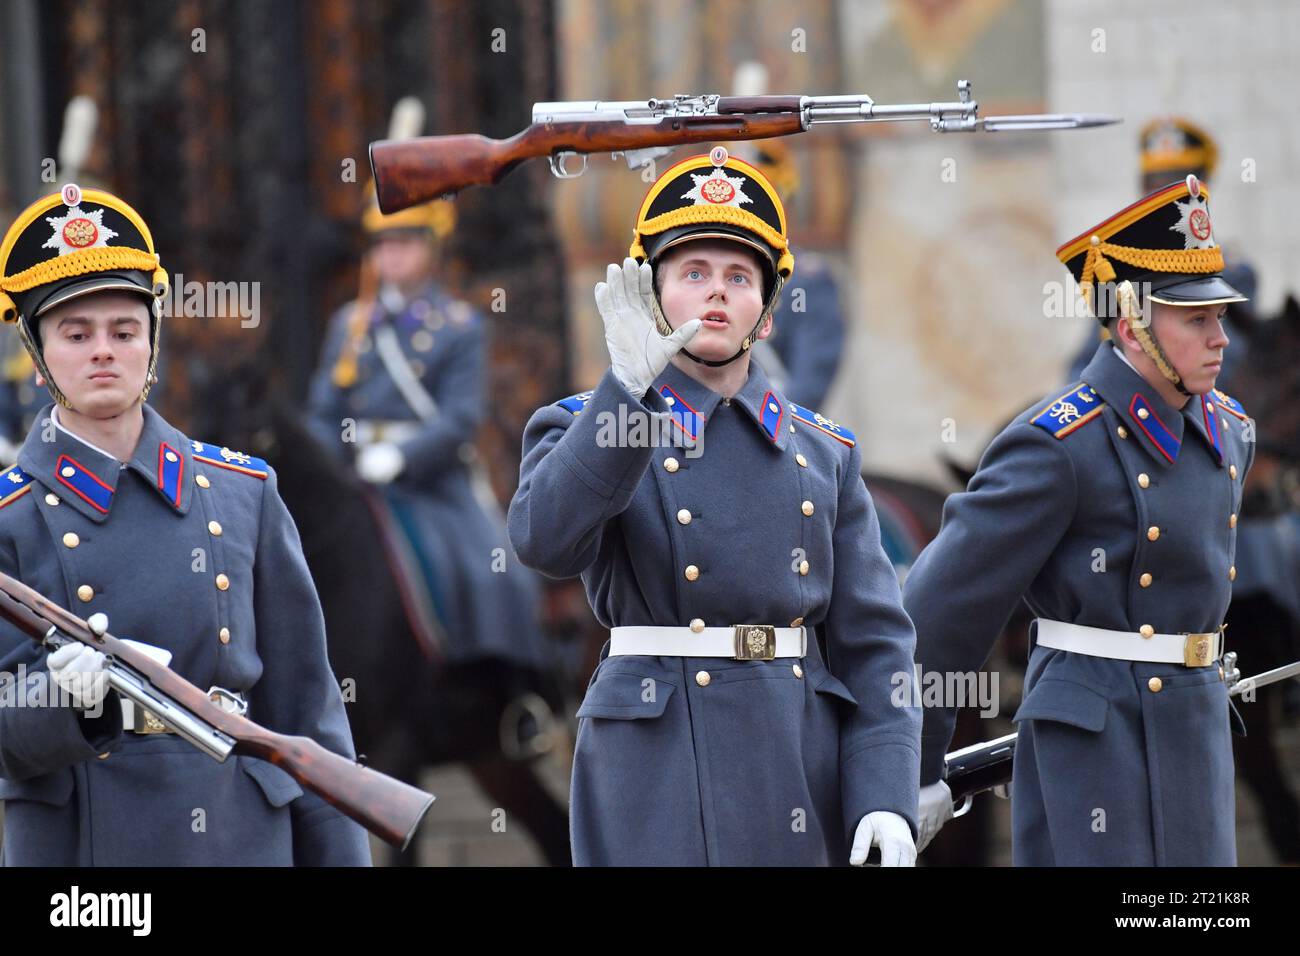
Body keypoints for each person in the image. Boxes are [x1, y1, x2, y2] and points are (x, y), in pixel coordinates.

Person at [507, 149, 920, 866]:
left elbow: (876, 646)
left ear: (766, 307)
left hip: (791, 759)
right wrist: (625, 395)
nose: (716, 294)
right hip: (651, 767)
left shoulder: (824, 451)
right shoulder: (585, 424)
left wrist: (885, 792)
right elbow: (544, 543)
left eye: (738, 277)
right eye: (693, 274)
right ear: (653, 294)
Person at [0, 184, 371, 865]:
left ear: (153, 338)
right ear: (38, 349)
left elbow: (308, 717)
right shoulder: (11, 519)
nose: (102, 352)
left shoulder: (242, 494)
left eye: (124, 330)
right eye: (76, 335)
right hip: (88, 857)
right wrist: (61, 699)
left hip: (239, 834)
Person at [909, 175, 1252, 865]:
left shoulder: (1230, 430)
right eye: (1196, 320)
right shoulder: (1058, 444)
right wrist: (909, 769)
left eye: (1218, 316)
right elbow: (939, 613)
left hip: (1195, 735)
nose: (1220, 337)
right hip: (1093, 752)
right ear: (1131, 324)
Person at [306, 190, 552, 683]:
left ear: (431, 248)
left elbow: (460, 418)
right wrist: (328, 465)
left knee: (490, 575)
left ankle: (510, 698)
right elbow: (322, 412)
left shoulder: (459, 327)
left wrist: (401, 457)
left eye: (404, 241)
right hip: (355, 480)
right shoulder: (348, 325)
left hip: (430, 481)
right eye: (381, 243)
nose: (390, 253)